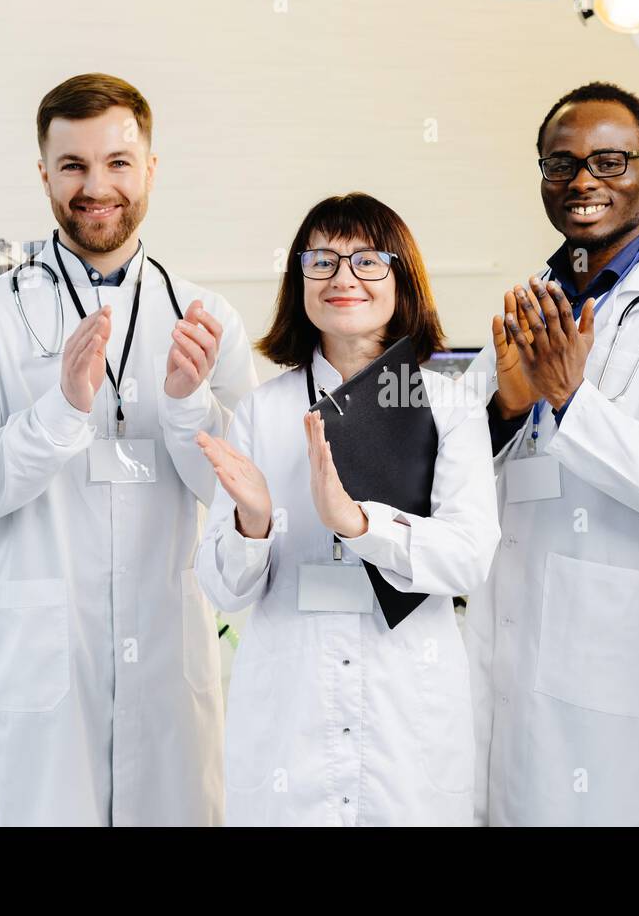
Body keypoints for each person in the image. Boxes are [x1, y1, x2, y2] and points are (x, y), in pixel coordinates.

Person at [0, 73, 257, 825]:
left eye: (118, 162)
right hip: (47, 649)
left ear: (151, 169)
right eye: (72, 165)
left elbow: (247, 496)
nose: (96, 186)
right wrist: (58, 414)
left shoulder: (204, 318)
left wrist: (185, 405)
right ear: (44, 174)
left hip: (169, 648)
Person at [464, 82, 639, 826]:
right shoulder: (533, 295)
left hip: (605, 652)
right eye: (561, 164)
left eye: (609, 160)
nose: (583, 181)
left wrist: (571, 402)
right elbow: (460, 461)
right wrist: (508, 406)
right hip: (501, 628)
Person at [194, 193, 499, 826]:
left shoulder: (449, 407)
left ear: (402, 276)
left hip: (406, 715)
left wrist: (359, 525)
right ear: (298, 278)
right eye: (322, 260)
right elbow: (223, 589)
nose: (342, 278)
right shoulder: (262, 411)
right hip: (291, 714)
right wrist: (253, 522)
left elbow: (469, 557)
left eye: (366, 260)